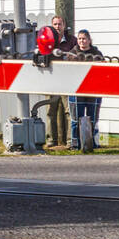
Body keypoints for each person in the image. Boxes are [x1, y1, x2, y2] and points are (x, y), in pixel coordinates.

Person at [67, 29, 104, 151]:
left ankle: (93, 142)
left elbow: (102, 70)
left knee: (93, 118)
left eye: (84, 38)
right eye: (79, 39)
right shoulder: (71, 54)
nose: (81, 41)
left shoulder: (96, 53)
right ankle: (75, 144)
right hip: (76, 91)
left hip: (93, 90)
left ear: (89, 40)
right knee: (75, 119)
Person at [45, 14, 77, 147]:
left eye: (60, 24)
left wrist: (69, 57)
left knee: (68, 110)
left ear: (64, 26)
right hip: (51, 79)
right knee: (50, 111)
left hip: (66, 80)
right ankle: (51, 140)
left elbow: (76, 55)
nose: (58, 27)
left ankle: (70, 141)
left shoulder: (71, 40)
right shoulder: (46, 41)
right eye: (55, 24)